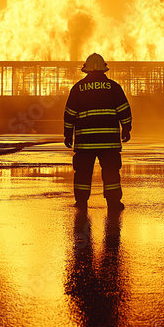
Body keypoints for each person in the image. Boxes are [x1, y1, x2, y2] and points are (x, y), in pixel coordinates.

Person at [64, 53, 132, 211]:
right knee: (111, 172)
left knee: (82, 173)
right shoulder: (113, 87)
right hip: (109, 142)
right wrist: (126, 128)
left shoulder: (78, 88)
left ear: (86, 69)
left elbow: (69, 113)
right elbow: (124, 110)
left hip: (85, 142)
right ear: (104, 69)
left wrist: (68, 133)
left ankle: (81, 203)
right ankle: (113, 202)